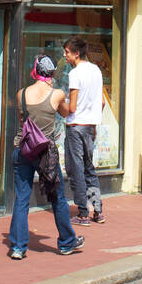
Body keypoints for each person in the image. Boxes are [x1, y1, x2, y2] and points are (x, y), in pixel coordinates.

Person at [8, 56, 84, 259]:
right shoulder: (57, 94)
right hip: (45, 153)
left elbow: (24, 122)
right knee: (57, 197)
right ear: (51, 74)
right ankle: (67, 242)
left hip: (23, 149)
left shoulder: (21, 94)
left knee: (22, 198)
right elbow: (67, 113)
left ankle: (17, 247)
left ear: (35, 71)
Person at [63, 36, 105, 226]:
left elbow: (72, 107)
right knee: (89, 167)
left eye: (67, 52)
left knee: (76, 169)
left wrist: (59, 103)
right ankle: (98, 210)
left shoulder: (75, 73)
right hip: (90, 126)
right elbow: (102, 101)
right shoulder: (96, 70)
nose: (65, 55)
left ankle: (82, 213)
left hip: (75, 126)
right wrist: (93, 120)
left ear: (76, 53)